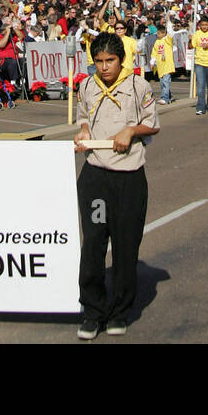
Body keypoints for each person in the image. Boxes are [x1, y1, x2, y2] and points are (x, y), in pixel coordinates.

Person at [73, 32, 159, 339]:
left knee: (125, 246)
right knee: (94, 242)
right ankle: (92, 310)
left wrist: (131, 130)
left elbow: (153, 123)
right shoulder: (86, 85)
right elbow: (83, 115)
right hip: (96, 177)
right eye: (99, 61)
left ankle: (120, 311)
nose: (105, 67)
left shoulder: (139, 86)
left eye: (110, 60)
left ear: (121, 59)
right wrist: (83, 130)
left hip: (129, 178)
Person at [150, 24, 176, 104]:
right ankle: (170, 96)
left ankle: (164, 98)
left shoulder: (167, 40)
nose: (158, 35)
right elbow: (154, 52)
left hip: (167, 65)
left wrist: (168, 23)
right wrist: (152, 61)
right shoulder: (157, 42)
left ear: (164, 33)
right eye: (157, 33)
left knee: (166, 82)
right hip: (160, 66)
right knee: (162, 83)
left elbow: (171, 34)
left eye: (159, 33)